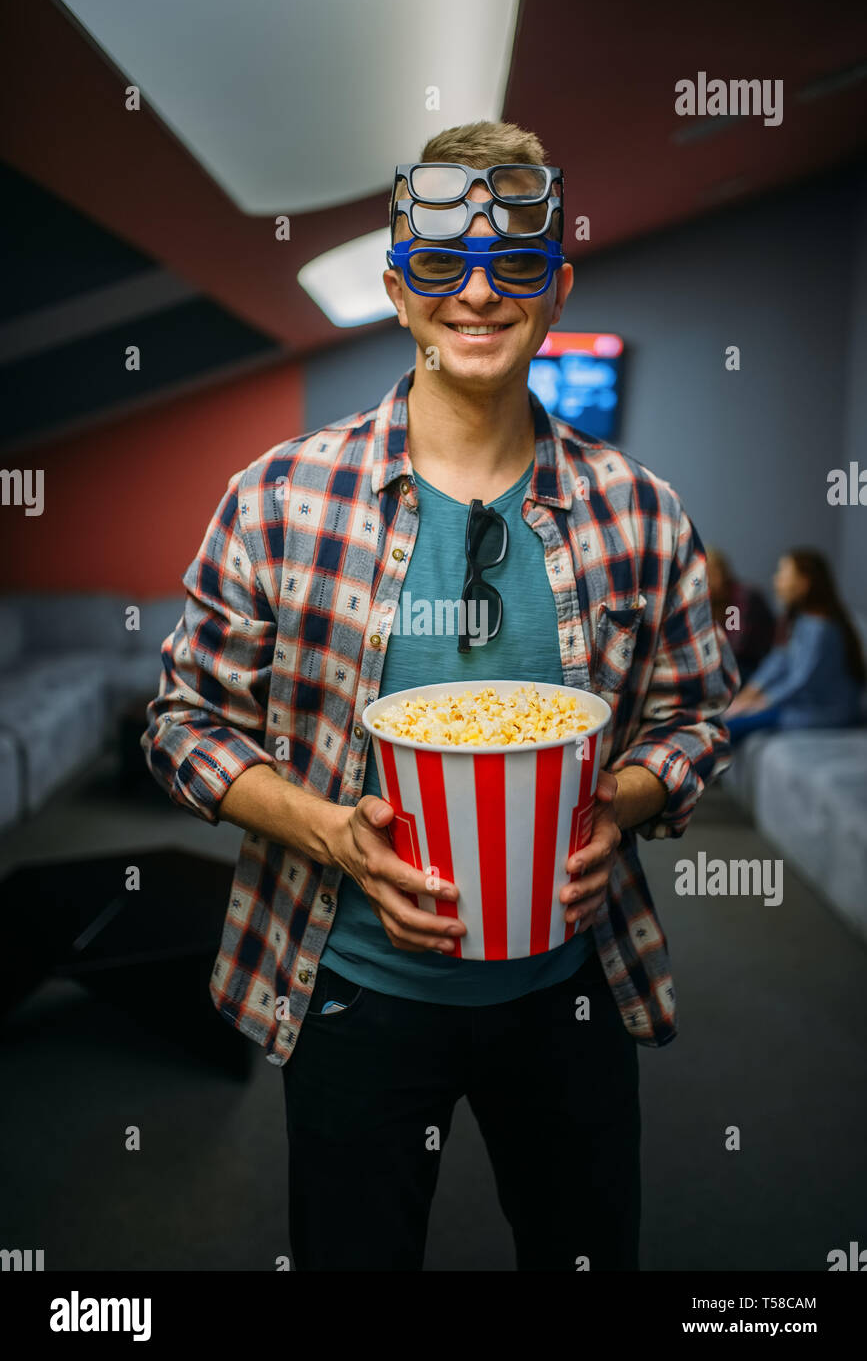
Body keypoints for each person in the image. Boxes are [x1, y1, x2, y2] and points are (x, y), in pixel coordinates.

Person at [141, 120, 737, 1272]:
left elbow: (700, 717)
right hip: (352, 988)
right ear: (397, 290)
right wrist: (330, 833)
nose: (477, 292)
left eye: (513, 266)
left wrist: (621, 802)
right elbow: (181, 722)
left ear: (554, 290)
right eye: (439, 265)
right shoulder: (275, 499)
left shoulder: (642, 510)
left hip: (572, 988)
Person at [725, 548, 865, 741]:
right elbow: (779, 659)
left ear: (803, 583)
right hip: (801, 703)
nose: (776, 579)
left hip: (826, 712)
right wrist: (749, 692)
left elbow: (801, 679)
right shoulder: (800, 621)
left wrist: (760, 702)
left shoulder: (821, 629)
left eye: (783, 573)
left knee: (728, 727)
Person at [705, 546, 775, 682]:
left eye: (710, 573)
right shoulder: (710, 601)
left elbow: (735, 646)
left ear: (722, 573)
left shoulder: (741, 597)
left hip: (751, 666)